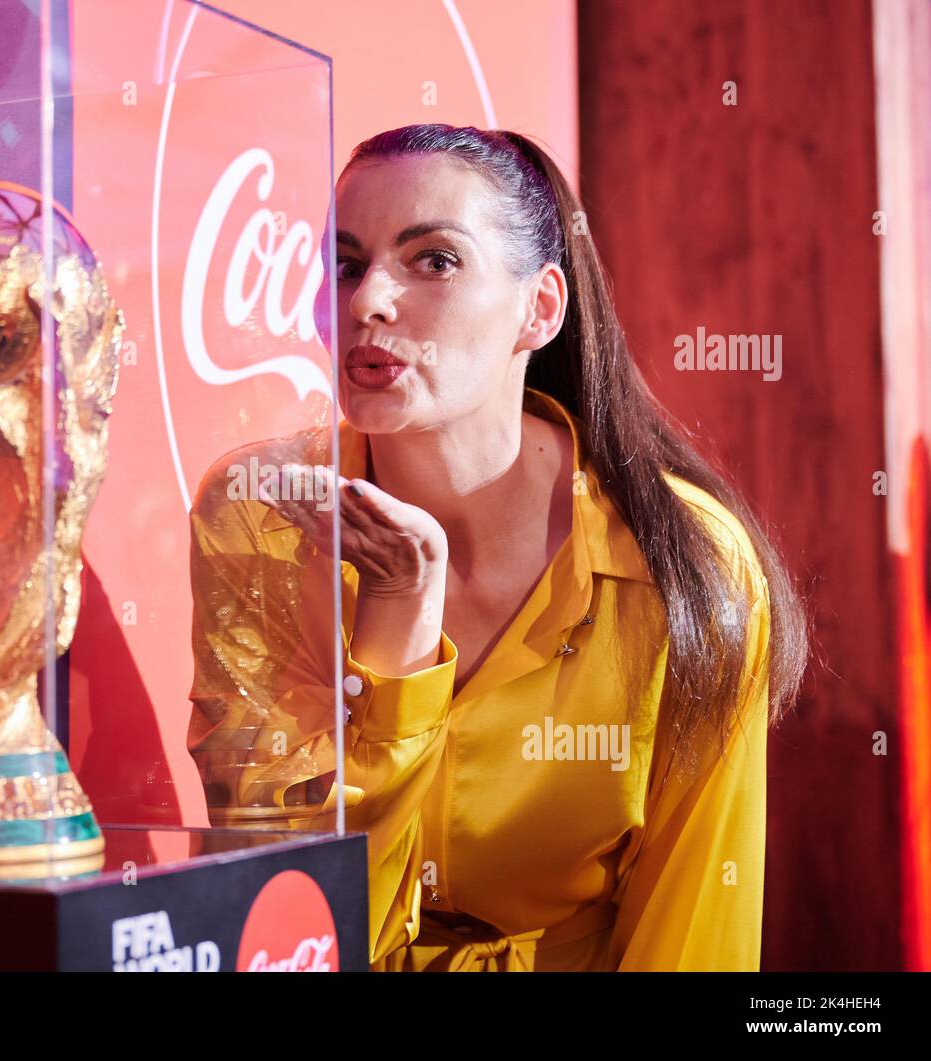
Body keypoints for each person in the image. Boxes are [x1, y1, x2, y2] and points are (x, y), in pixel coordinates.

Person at [185, 124, 809, 971]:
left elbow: (695, 929)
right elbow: (286, 925)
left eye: (433, 260)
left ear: (539, 308)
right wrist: (397, 635)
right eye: (344, 263)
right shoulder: (259, 515)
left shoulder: (686, 560)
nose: (369, 299)